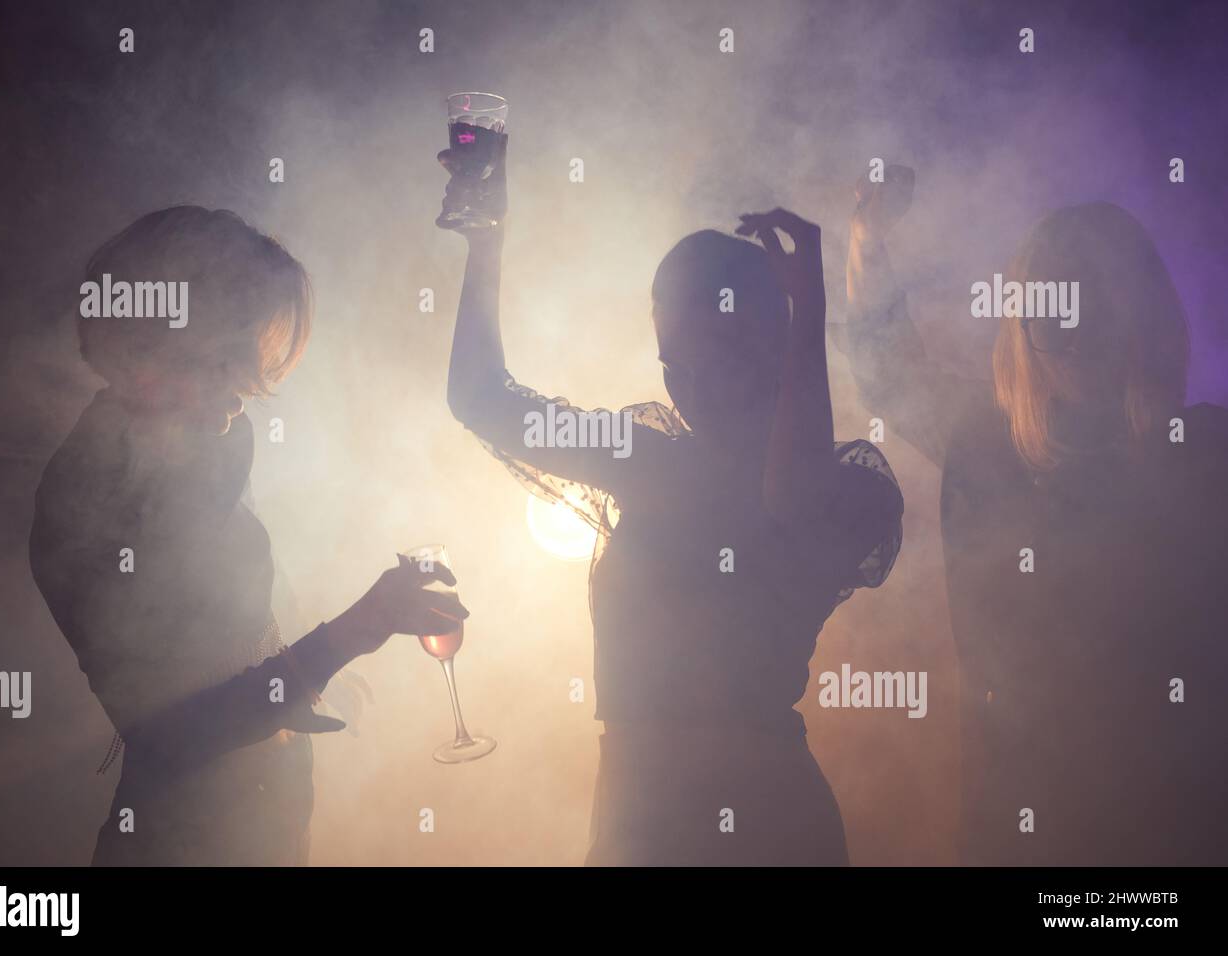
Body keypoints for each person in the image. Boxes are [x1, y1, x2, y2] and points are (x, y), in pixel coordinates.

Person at [438, 144, 904, 865]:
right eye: (670, 363)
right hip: (636, 819)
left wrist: (808, 306)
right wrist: (486, 237)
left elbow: (793, 501)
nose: (688, 386)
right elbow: (480, 397)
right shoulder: (646, 458)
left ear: (776, 351)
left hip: (765, 826)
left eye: (714, 355)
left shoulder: (851, 491)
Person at [30, 206, 467, 865]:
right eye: (218, 366)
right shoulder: (84, 500)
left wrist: (312, 679)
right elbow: (168, 734)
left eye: (246, 373)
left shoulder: (214, 438)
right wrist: (346, 637)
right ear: (135, 344)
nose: (237, 399)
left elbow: (242, 613)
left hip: (271, 826)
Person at [845, 171, 1228, 864]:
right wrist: (869, 239)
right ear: (1023, 326)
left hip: (1173, 827)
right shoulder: (986, 444)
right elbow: (888, 368)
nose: (1081, 337)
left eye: (1104, 308)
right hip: (1017, 817)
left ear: (1145, 319)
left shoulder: (1204, 455)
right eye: (1059, 313)